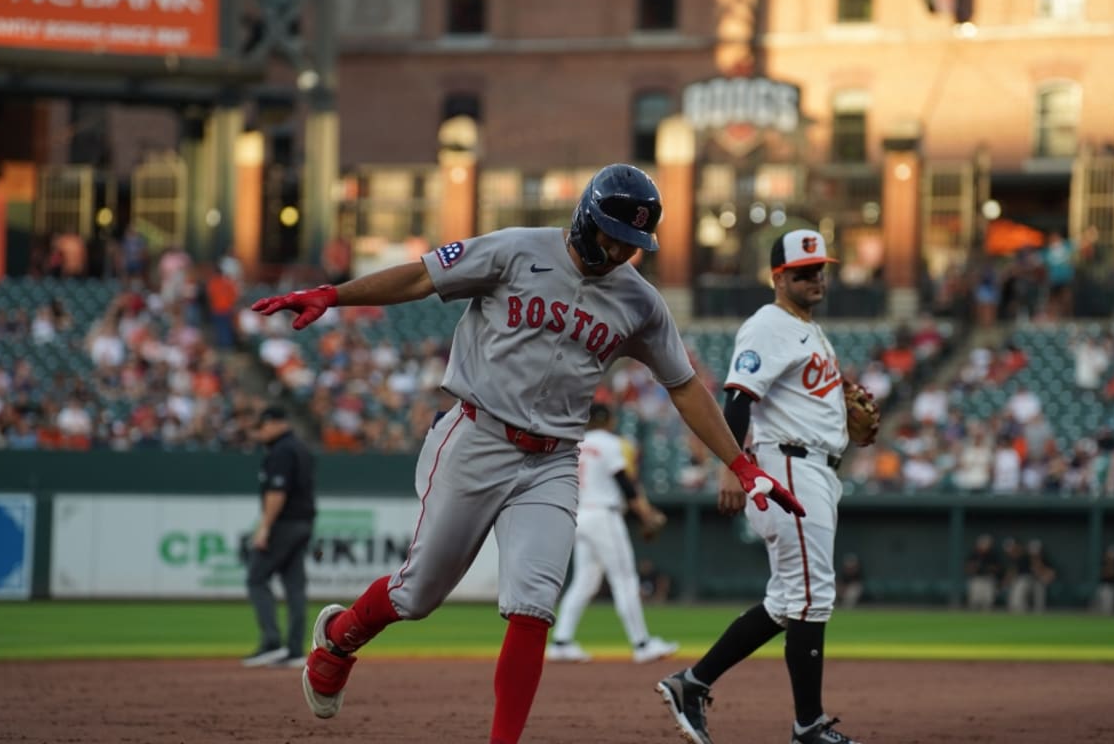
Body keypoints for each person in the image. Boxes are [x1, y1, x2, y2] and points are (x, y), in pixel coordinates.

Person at [250, 163, 803, 744]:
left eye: (633, 243)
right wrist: (334, 296)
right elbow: (420, 279)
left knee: (535, 605)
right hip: (478, 438)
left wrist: (739, 462)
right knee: (418, 594)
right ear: (585, 218)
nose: (619, 250)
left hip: (554, 459)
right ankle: (340, 636)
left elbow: (684, 385)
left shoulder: (640, 301)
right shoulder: (516, 250)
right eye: (613, 235)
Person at [654, 228, 876, 744]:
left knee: (787, 601)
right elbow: (738, 399)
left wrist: (844, 416)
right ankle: (809, 726)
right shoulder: (768, 326)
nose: (816, 277)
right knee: (811, 597)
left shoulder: (810, 330)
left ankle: (693, 683)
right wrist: (732, 468)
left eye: (821, 268)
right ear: (779, 277)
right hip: (788, 466)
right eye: (804, 271)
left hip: (815, 466)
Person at [546, 402, 679, 664]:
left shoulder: (577, 442)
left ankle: (561, 642)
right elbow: (625, 484)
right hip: (604, 516)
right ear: (608, 421)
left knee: (585, 580)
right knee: (625, 579)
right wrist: (647, 515)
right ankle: (642, 644)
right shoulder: (609, 443)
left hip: (580, 514)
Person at [241, 406, 317, 668]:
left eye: (261, 427)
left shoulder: (282, 450)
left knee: (256, 578)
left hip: (284, 523)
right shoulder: (300, 447)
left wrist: (264, 527)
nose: (259, 433)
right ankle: (295, 649)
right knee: (295, 586)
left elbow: (277, 493)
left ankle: (271, 642)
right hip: (303, 522)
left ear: (274, 423)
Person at [965, 534, 1002, 612]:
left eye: (986, 544)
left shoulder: (993, 554)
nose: (984, 546)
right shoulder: (974, 554)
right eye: (982, 544)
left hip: (989, 579)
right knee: (974, 601)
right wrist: (975, 567)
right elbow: (968, 568)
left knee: (988, 602)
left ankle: (988, 620)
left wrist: (987, 567)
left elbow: (998, 568)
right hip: (977, 579)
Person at [1094, 543, 1114, 615]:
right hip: (1103, 585)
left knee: (1108, 608)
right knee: (1098, 604)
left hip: (1112, 586)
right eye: (1112, 552)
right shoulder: (1104, 561)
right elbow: (1102, 573)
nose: (1113, 554)